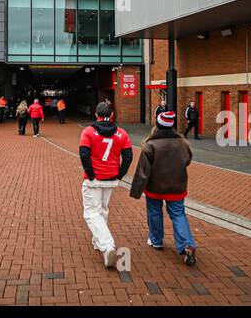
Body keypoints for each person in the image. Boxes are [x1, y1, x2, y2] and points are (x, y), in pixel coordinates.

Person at [129, 109, 197, 265]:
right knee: (178, 214)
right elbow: (187, 161)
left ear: (158, 125)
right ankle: (187, 244)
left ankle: (156, 240)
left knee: (154, 212)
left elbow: (142, 171)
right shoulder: (182, 143)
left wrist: (136, 190)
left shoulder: (150, 145)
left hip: (155, 187)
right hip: (177, 186)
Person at [79, 100, 133, 268]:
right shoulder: (122, 133)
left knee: (91, 213)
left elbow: (84, 154)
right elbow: (128, 157)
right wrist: (120, 174)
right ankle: (98, 242)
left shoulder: (88, 131)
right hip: (111, 178)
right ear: (111, 115)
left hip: (94, 179)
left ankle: (107, 246)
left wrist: (91, 173)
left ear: (96, 115)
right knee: (102, 209)